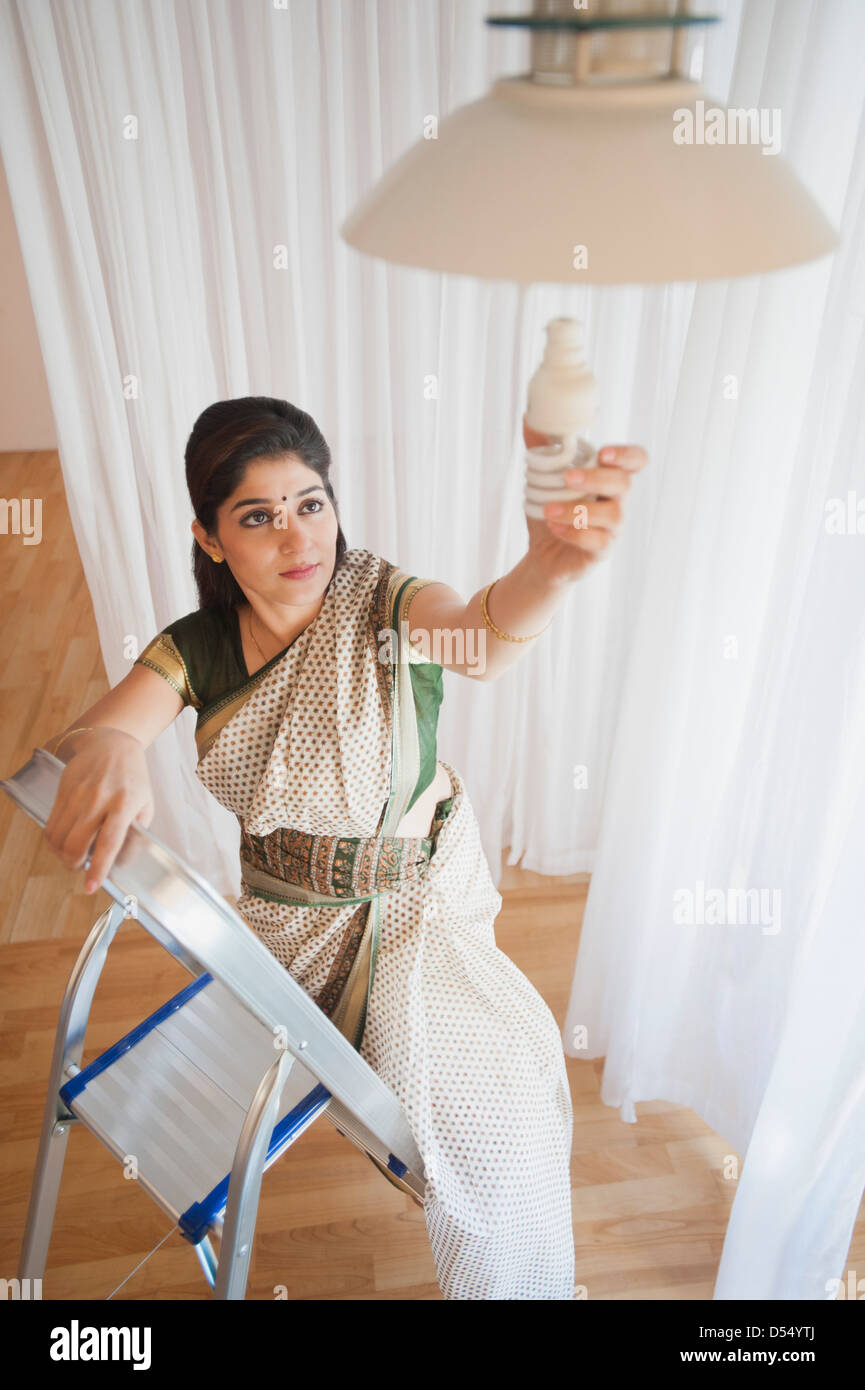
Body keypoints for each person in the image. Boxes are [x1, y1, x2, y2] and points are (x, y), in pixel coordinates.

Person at [41, 396, 647, 1300]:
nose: (296, 538)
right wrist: (113, 746)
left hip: (426, 906)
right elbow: (103, 735)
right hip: (299, 941)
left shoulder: (385, 599)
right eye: (257, 516)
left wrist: (550, 566)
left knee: (505, 1112)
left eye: (310, 503)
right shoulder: (198, 651)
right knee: (470, 1121)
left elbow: (478, 637)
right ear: (210, 539)